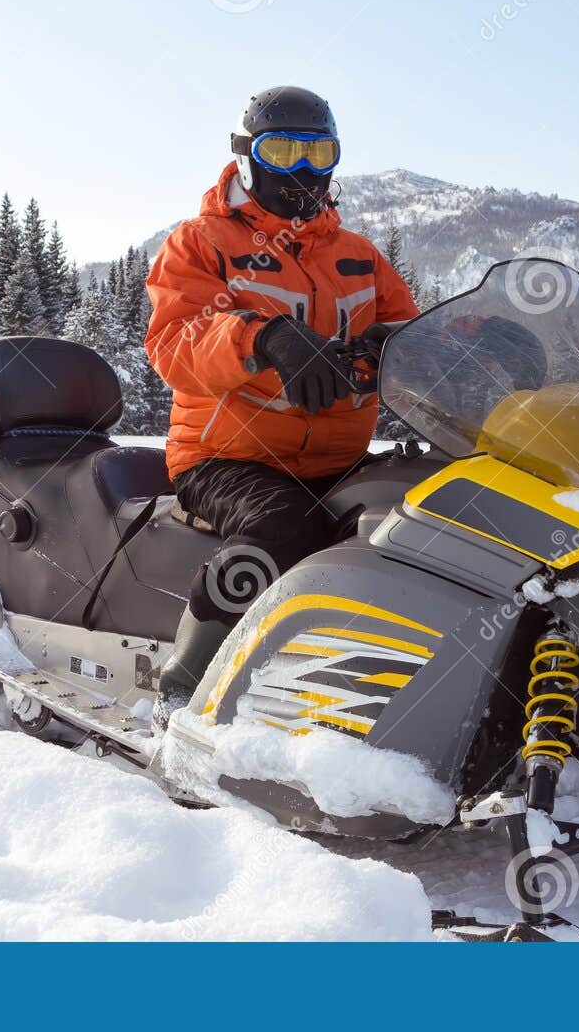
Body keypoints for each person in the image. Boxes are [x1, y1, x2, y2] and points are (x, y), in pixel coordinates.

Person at [144, 85, 419, 727]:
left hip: (339, 460)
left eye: (318, 152)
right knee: (284, 530)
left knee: (427, 519)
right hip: (223, 457)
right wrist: (262, 337)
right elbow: (172, 343)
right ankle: (183, 698)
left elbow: (416, 332)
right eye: (283, 150)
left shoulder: (357, 256)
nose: (303, 171)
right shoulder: (201, 243)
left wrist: (450, 342)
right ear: (247, 157)